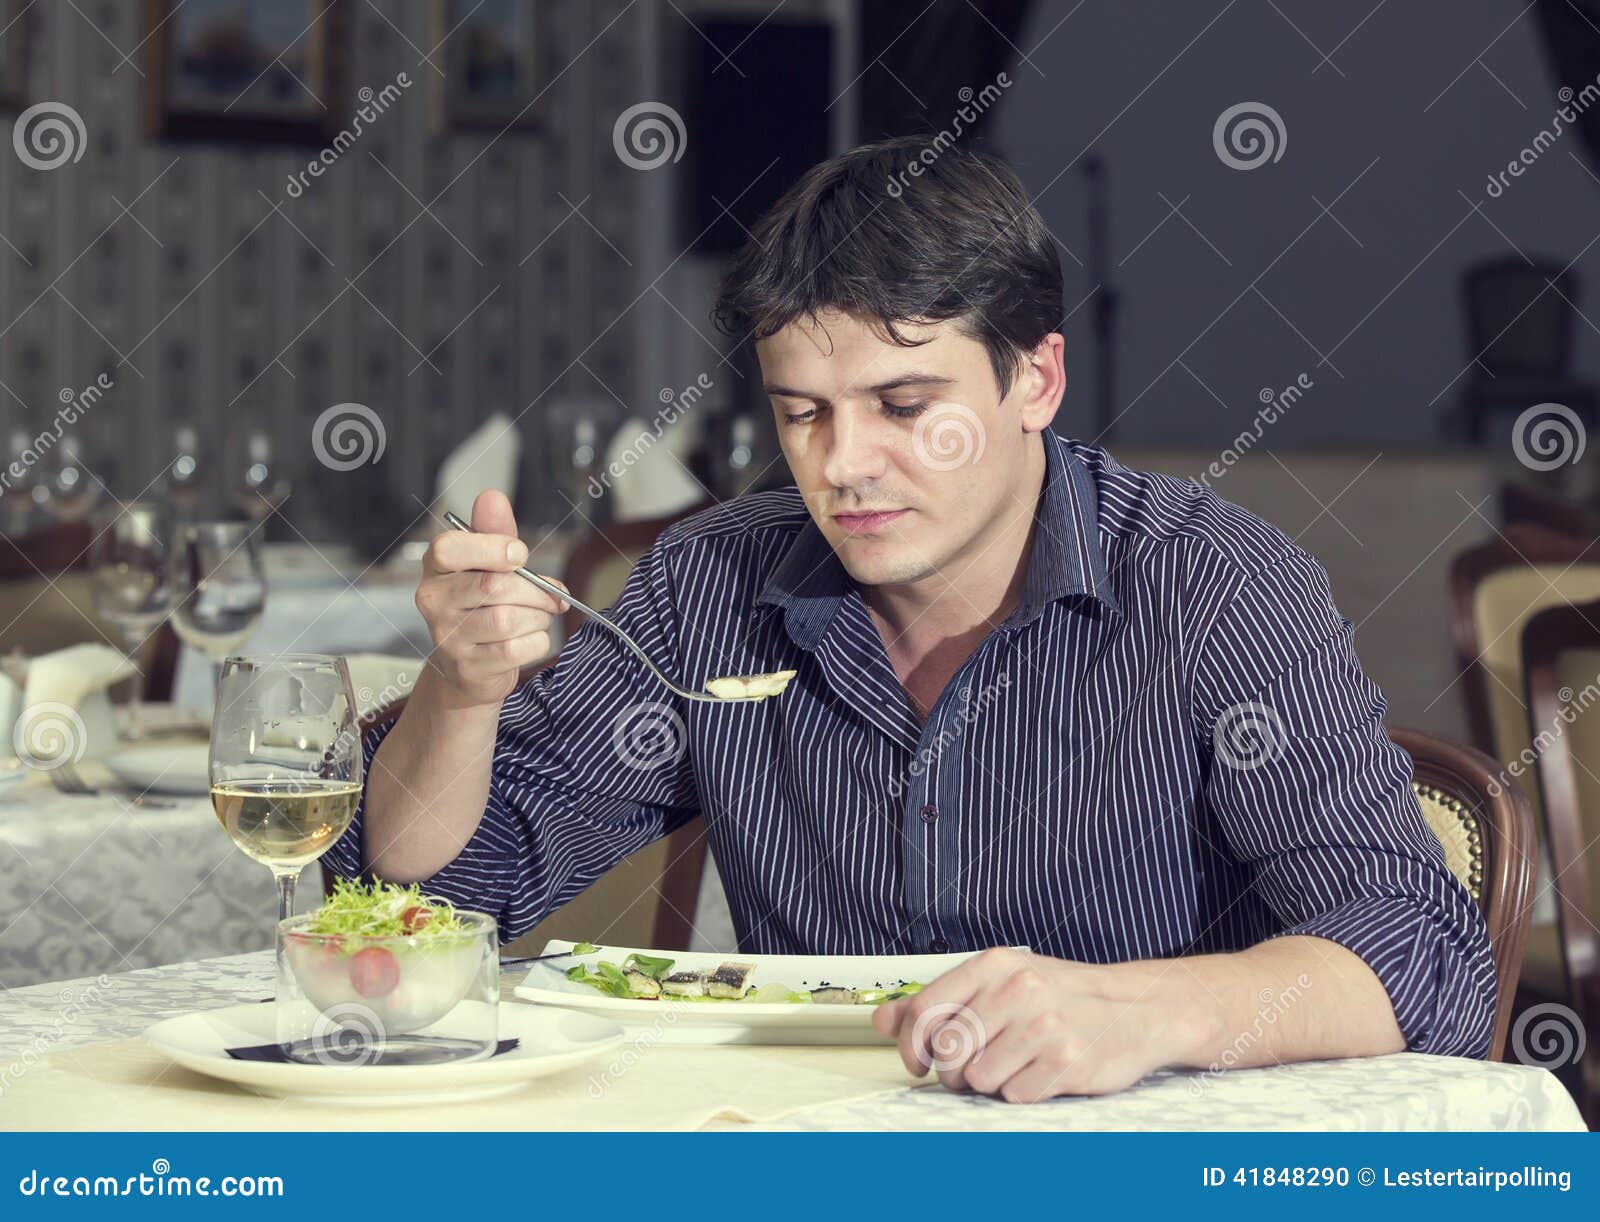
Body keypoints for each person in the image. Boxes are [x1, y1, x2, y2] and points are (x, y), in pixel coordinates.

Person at [324, 136, 1494, 1103]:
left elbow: (1418, 955)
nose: (845, 467)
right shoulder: (710, 583)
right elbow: (435, 898)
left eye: (903, 405)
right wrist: (460, 696)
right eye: (803, 414)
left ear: (1033, 380)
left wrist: (1134, 1009)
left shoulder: (1211, 587)